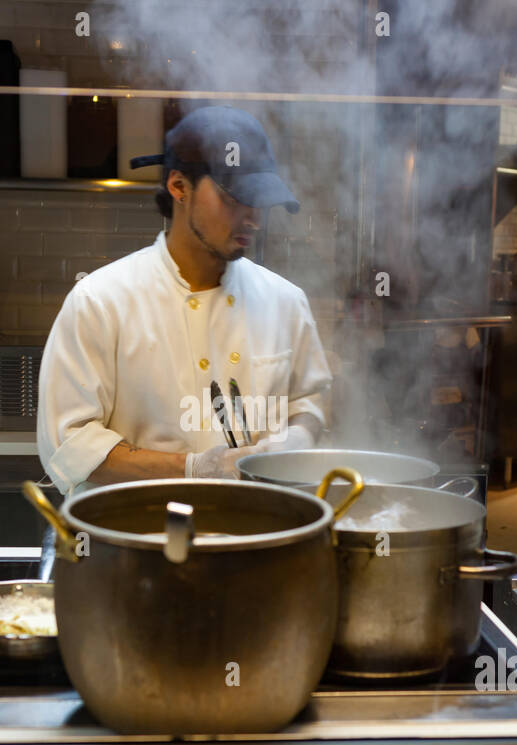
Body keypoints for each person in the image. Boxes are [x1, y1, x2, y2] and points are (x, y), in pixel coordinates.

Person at [36, 106, 330, 496]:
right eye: (235, 198)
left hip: (256, 537)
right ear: (179, 186)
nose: (254, 218)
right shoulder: (101, 302)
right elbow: (70, 445)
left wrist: (297, 438)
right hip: (137, 542)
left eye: (260, 201)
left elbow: (310, 400)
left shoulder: (286, 301)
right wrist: (192, 468)